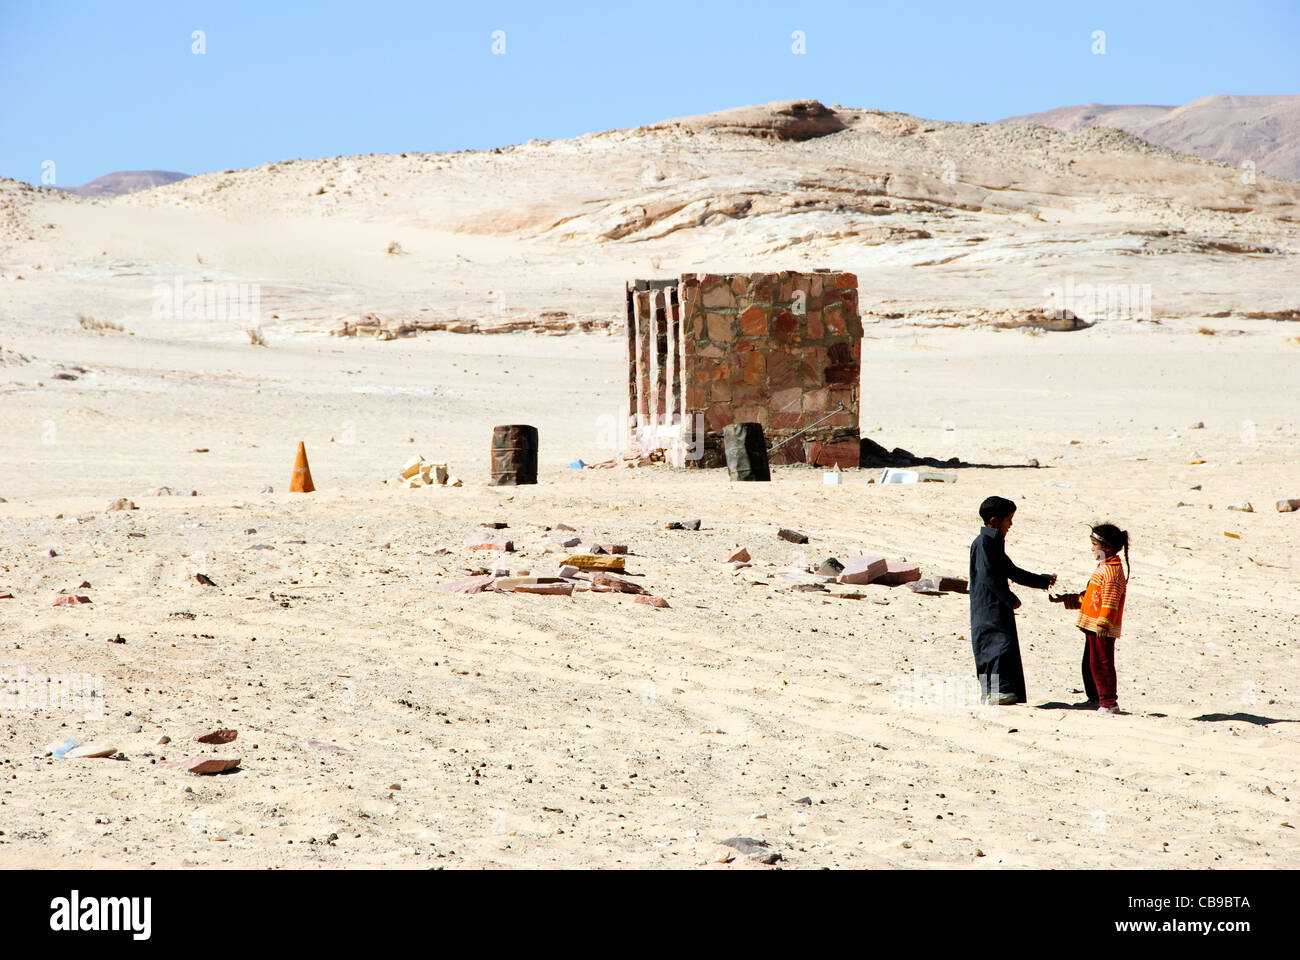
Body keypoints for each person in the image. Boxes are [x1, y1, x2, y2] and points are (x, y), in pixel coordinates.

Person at [969, 496, 1057, 705]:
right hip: (988, 605)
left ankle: (999, 692)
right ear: (994, 521)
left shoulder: (993, 542)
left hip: (996, 604)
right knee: (996, 645)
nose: (1011, 525)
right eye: (1008, 520)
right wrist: (1009, 598)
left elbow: (1010, 570)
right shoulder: (984, 543)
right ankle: (994, 692)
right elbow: (988, 574)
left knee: (1002, 645)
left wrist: (1042, 581)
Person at [1052, 524, 1130, 714]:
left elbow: (1110, 600)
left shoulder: (1111, 572)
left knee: (1102, 664)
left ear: (1107, 547)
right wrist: (1069, 599)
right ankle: (1095, 699)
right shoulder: (1104, 567)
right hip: (1093, 626)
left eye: (1095, 544)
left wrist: (1104, 623)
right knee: (1090, 664)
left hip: (1101, 628)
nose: (1092, 548)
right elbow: (1092, 596)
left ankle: (1109, 702)